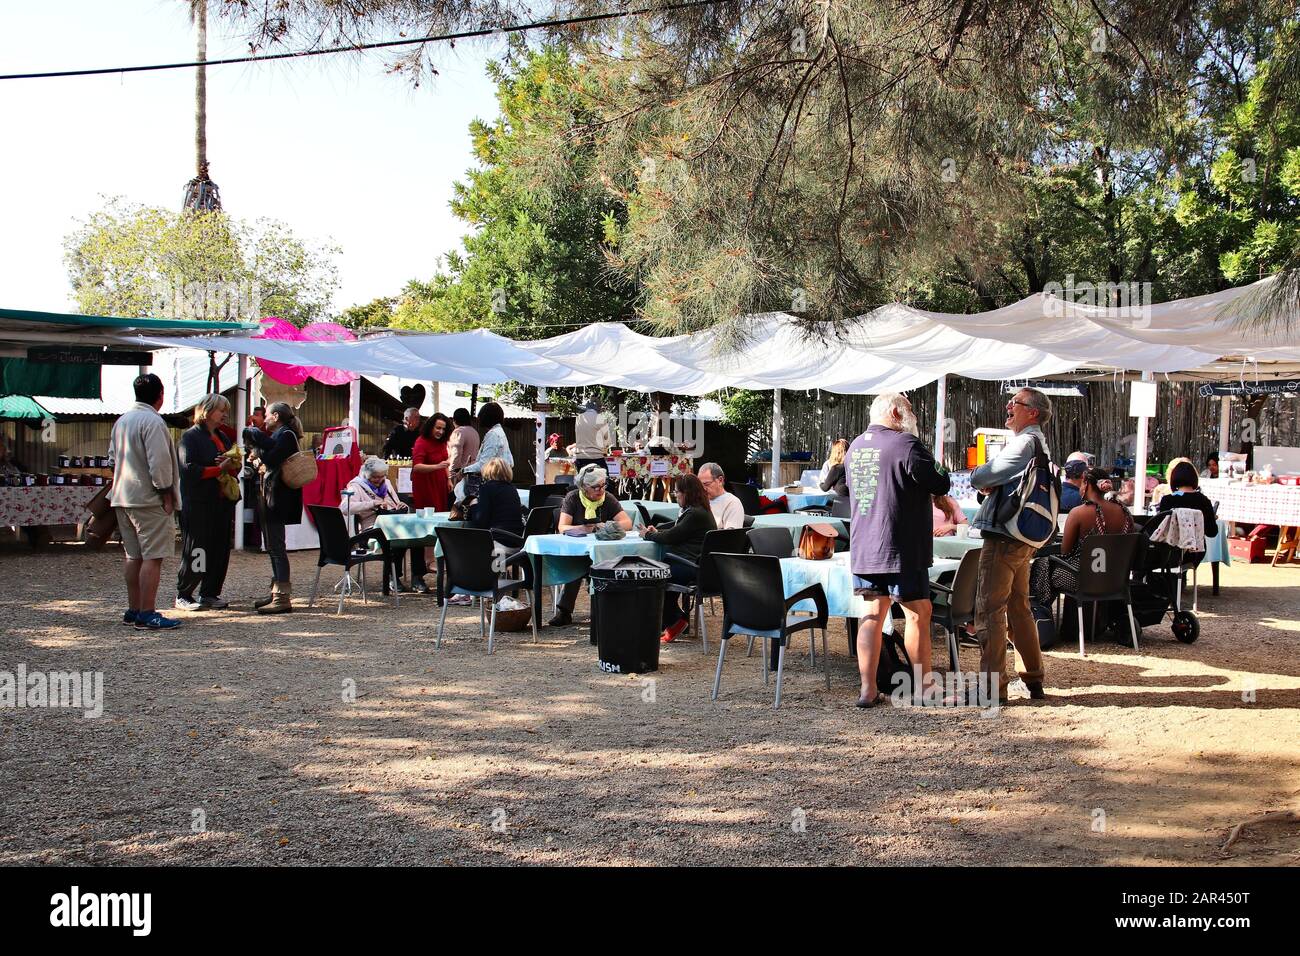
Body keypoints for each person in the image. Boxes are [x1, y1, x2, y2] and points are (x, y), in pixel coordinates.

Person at [847, 392, 950, 707]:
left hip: (864, 546)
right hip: (900, 547)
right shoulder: (905, 444)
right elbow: (940, 481)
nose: (913, 419)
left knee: (871, 615)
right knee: (919, 613)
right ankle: (926, 688)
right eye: (910, 412)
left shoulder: (855, 447)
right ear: (895, 411)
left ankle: (867, 690)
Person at [969, 386, 1053, 703]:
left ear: (1032, 412)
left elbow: (982, 478)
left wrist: (984, 476)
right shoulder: (1038, 443)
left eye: (1015, 402)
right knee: (1019, 609)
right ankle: (1034, 680)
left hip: (1003, 537)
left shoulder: (1023, 442)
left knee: (990, 611)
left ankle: (993, 689)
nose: (1008, 405)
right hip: (1021, 538)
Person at [108, 373, 182, 630]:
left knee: (133, 555)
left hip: (122, 495)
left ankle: (134, 608)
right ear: (160, 395)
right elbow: (159, 462)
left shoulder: (122, 421)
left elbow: (111, 460)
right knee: (153, 556)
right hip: (148, 498)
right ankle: (148, 612)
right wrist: (165, 493)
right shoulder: (153, 421)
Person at [1030, 467, 1134, 611]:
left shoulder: (1078, 513)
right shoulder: (1124, 512)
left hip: (1083, 580)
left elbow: (1065, 550)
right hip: (1115, 580)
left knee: (1042, 564)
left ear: (1087, 484)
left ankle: (1041, 614)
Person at [174, 394, 240, 612]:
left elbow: (233, 469)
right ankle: (185, 593)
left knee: (220, 549)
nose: (225, 414)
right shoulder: (190, 438)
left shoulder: (223, 436)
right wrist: (217, 469)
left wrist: (231, 465)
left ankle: (210, 592)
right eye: (221, 410)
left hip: (221, 502)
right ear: (207, 410)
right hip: (199, 502)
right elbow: (188, 470)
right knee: (198, 549)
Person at [547, 464, 633, 626]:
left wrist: (606, 526)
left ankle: (602, 610)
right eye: (596, 487)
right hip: (578, 553)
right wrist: (584, 529)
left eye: (603, 485)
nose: (600, 490)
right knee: (577, 567)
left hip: (604, 553)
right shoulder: (573, 498)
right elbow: (562, 527)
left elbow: (627, 522)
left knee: (601, 566)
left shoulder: (607, 498)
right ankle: (564, 612)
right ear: (584, 487)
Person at [244, 402, 304, 614]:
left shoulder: (286, 435)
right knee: (272, 547)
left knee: (277, 548)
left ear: (276, 416)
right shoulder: (282, 435)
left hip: (278, 498)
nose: (264, 419)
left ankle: (282, 597)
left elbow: (270, 459)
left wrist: (256, 440)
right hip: (272, 496)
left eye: (267, 415)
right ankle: (275, 592)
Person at [643, 473, 717, 643]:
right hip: (697, 564)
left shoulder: (694, 514)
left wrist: (647, 535)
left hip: (689, 565)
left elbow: (670, 538)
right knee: (661, 573)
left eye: (677, 492)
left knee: (653, 576)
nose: (676, 496)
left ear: (687, 493)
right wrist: (657, 533)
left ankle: (675, 620)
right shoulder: (700, 510)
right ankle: (673, 621)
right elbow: (678, 534)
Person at [1154, 460, 1219, 552]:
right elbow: (1212, 533)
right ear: (1194, 478)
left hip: (1169, 551)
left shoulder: (1167, 500)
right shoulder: (1203, 500)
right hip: (1196, 551)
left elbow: (1161, 529)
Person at [460, 401, 513, 500]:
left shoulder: (493, 435)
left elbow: (484, 464)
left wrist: (464, 470)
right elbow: (510, 461)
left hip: (492, 484)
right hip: (502, 483)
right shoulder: (500, 433)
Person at [340, 457, 406, 532]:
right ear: (367, 475)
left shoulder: (387, 483)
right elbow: (345, 508)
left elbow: (396, 504)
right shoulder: (356, 486)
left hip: (392, 524)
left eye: (382, 476)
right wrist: (372, 504)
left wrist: (401, 505)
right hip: (371, 527)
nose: (380, 480)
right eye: (375, 477)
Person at [468, 456, 525, 542]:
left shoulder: (487, 488)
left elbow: (480, 521)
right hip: (517, 539)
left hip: (498, 541)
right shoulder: (512, 488)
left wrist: (473, 505)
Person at [412, 412, 452, 513]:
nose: (441, 432)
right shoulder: (421, 442)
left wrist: (448, 479)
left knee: (441, 511)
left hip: (440, 484)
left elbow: (444, 463)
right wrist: (437, 466)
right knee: (429, 513)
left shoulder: (442, 442)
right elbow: (417, 466)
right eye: (438, 428)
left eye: (443, 429)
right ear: (430, 427)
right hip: (426, 485)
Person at [698, 462, 745, 530]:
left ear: (720, 480)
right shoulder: (699, 500)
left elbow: (731, 535)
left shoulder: (732, 503)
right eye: (700, 485)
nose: (703, 489)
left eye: (707, 484)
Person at [571, 401, 612, 473]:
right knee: (603, 481)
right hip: (596, 457)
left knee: (582, 482)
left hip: (581, 457)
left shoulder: (578, 418)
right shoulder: (600, 418)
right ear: (597, 408)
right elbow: (608, 440)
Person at [447, 407, 480, 486]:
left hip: (460, 473)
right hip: (474, 471)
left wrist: (451, 473)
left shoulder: (458, 431)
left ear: (454, 420)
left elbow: (456, 454)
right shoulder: (474, 432)